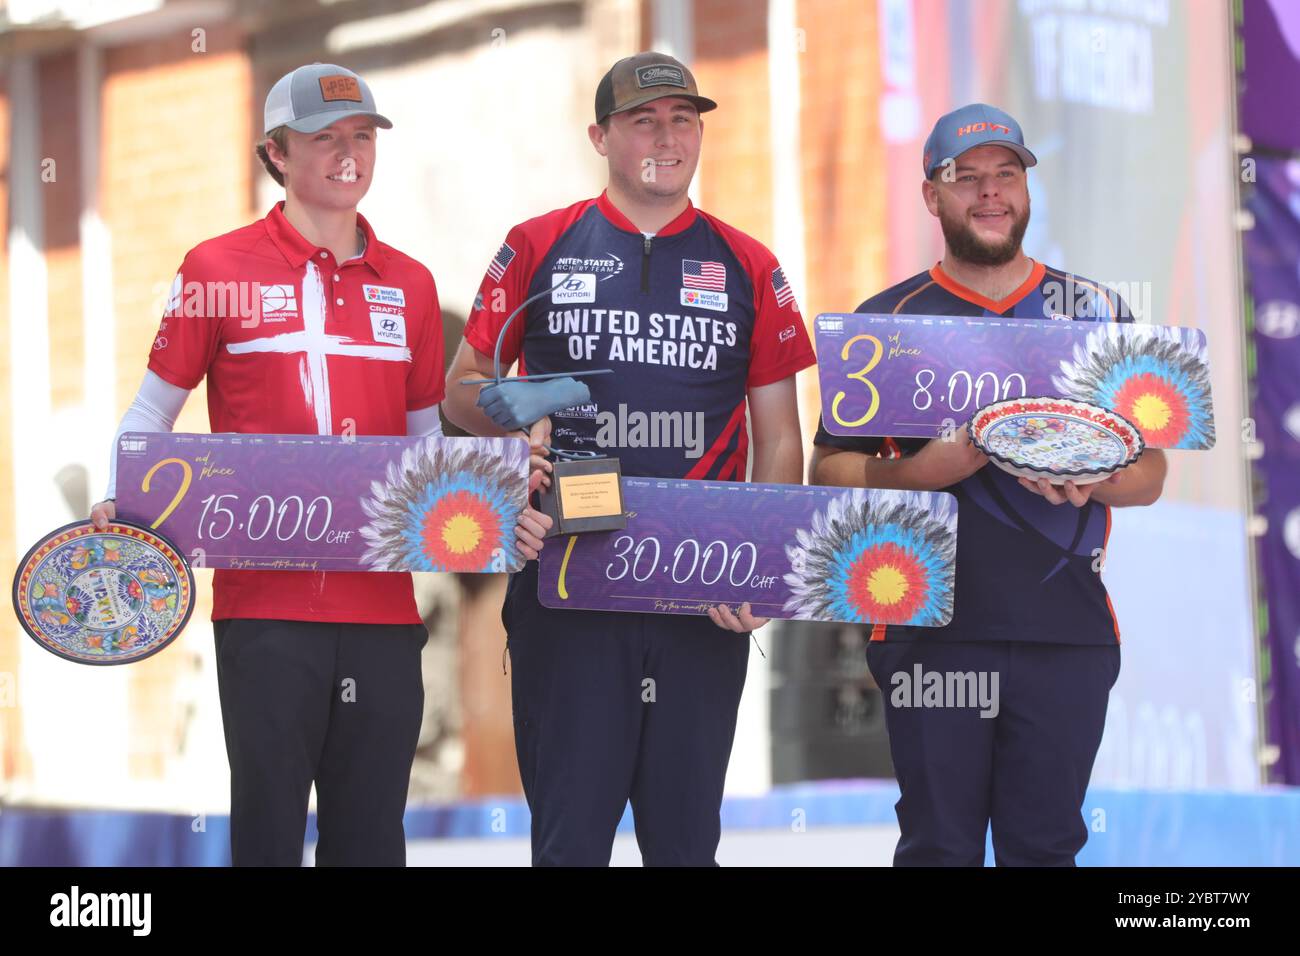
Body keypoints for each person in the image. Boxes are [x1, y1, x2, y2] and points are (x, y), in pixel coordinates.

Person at [90, 63, 550, 865]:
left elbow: (424, 455)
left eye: (362, 136)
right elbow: (150, 414)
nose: (349, 153)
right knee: (267, 835)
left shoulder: (410, 286)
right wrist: (114, 497)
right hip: (263, 610)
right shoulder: (214, 270)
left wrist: (502, 495)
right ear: (276, 152)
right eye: (325, 138)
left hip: (383, 611)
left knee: (371, 839)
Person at [442, 52, 816, 866]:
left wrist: (762, 564)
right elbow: (459, 391)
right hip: (567, 581)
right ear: (601, 135)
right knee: (571, 842)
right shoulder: (537, 244)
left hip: (701, 593)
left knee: (684, 846)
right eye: (644, 119)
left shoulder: (750, 263)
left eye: (684, 118)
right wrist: (515, 433)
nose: (667, 135)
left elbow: (782, 435)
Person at [811, 103, 1167, 866]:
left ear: (1026, 186)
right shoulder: (887, 321)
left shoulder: (1097, 312)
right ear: (931, 196)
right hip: (929, 635)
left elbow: (1151, 475)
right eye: (965, 177)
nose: (989, 192)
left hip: (1066, 633)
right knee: (941, 847)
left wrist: (1095, 476)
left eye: (1006, 173)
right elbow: (828, 474)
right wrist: (917, 474)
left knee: (1044, 848)